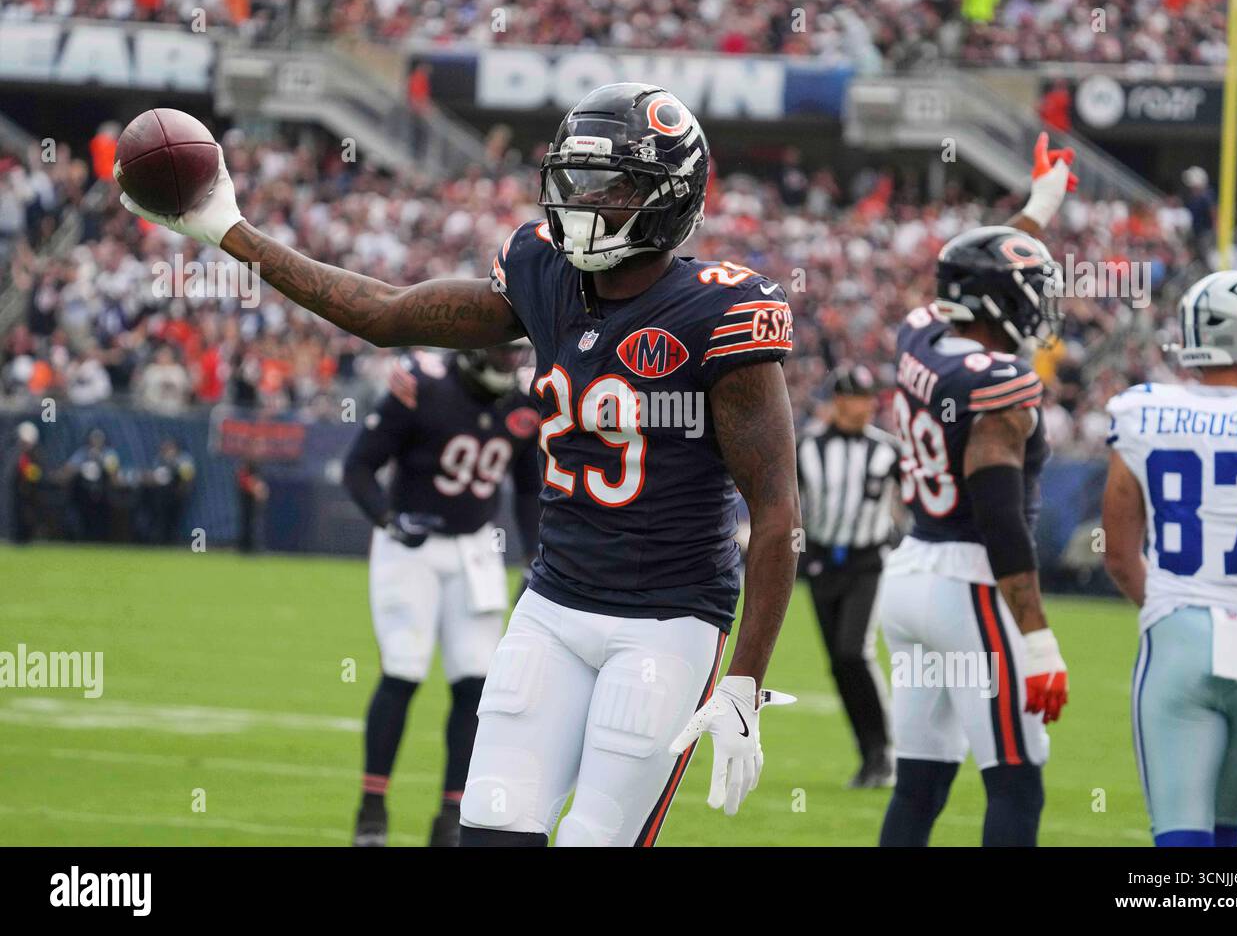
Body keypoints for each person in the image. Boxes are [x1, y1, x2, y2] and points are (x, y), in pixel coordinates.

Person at [120, 82, 801, 847]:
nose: (583, 199)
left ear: (668, 199)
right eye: (577, 177)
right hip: (553, 607)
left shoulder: (721, 310)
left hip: (668, 624)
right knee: (489, 832)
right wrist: (229, 230)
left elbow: (777, 512)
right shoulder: (545, 273)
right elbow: (383, 314)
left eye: (612, 185)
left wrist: (744, 681)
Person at [876, 133, 1075, 847]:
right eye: (1030, 294)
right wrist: (1039, 637)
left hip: (907, 578)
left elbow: (986, 268)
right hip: (969, 583)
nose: (1039, 306)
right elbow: (1000, 521)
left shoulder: (921, 330)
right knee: (1017, 780)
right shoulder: (1000, 386)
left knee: (921, 785)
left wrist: (1041, 205)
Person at [1102, 270, 1237, 847]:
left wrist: (1174, 603)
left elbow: (1117, 554)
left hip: (1179, 643)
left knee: (1182, 846)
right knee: (1225, 836)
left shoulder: (1142, 409)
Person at [344, 343, 540, 848]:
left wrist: (535, 557)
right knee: (404, 671)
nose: (510, 362)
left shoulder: (521, 408)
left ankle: (451, 815)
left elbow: (527, 491)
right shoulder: (425, 385)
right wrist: (388, 518)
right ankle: (372, 806)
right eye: (503, 354)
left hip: (474, 552)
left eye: (515, 353)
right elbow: (359, 467)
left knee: (476, 687)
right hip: (411, 547)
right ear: (476, 348)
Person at [797, 364, 900, 788]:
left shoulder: (889, 449)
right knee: (839, 663)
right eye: (860, 397)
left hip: (867, 560)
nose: (868, 405)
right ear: (839, 401)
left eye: (871, 397)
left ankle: (883, 751)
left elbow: (917, 501)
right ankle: (869, 753)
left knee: (854, 651)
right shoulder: (806, 447)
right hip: (822, 561)